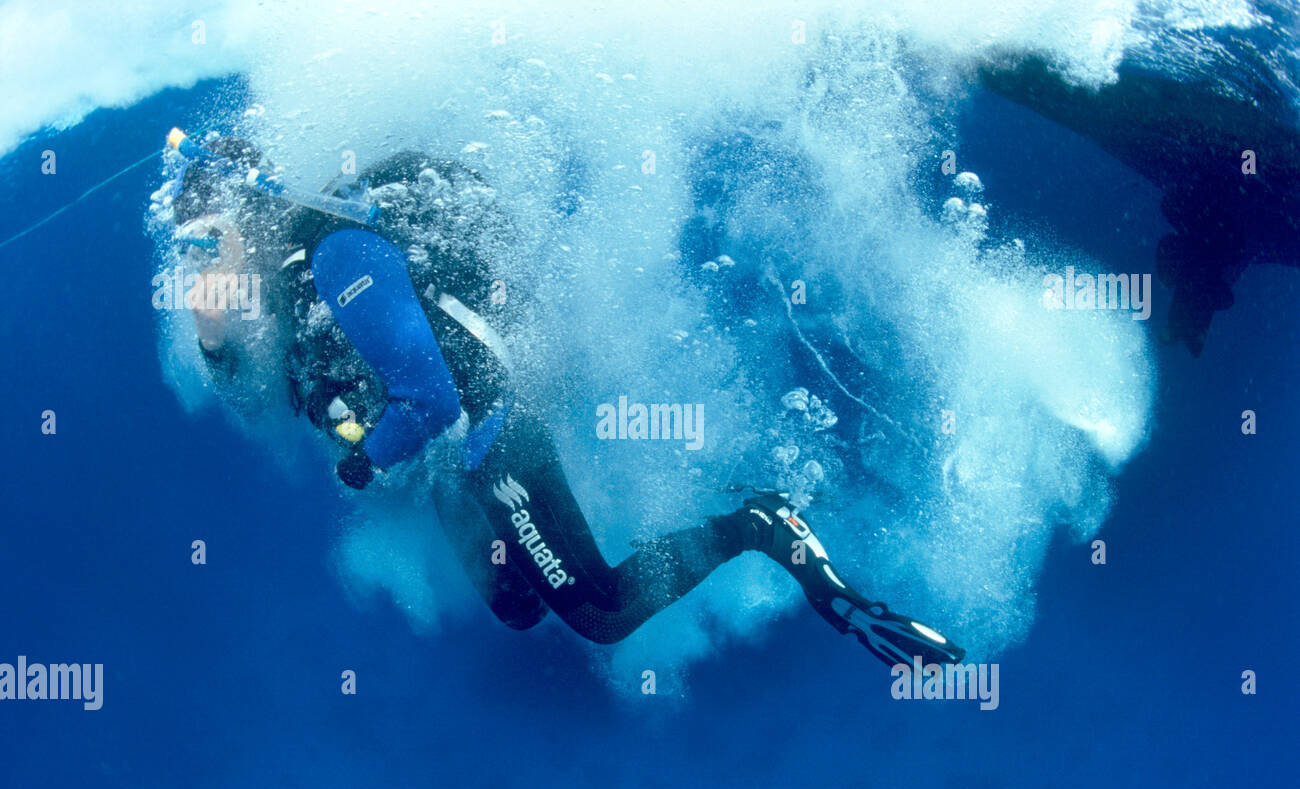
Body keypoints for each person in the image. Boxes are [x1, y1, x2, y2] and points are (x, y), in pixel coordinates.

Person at [162, 131, 964, 668]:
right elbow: (264, 397)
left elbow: (434, 402)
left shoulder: (332, 253)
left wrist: (362, 468)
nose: (202, 265)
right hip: (450, 457)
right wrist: (210, 338)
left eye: (210, 240)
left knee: (600, 612)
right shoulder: (273, 294)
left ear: (248, 214)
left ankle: (757, 523)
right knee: (515, 606)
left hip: (489, 427)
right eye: (190, 249)